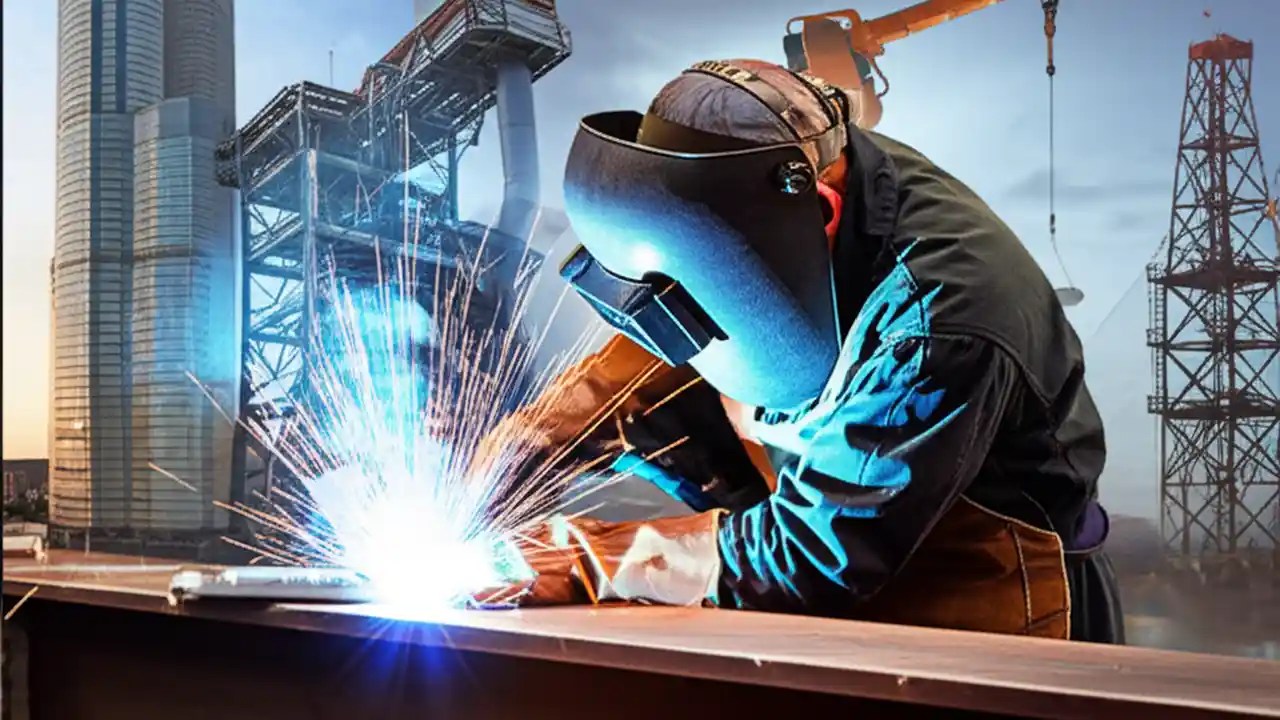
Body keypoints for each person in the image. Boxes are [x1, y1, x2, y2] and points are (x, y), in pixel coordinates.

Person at [474, 58, 1123, 643]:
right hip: (857, 562)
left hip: (992, 603)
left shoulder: (936, 327)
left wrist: (587, 559)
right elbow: (682, 320)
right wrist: (532, 444)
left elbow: (820, 551)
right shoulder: (788, 172)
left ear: (822, 210)